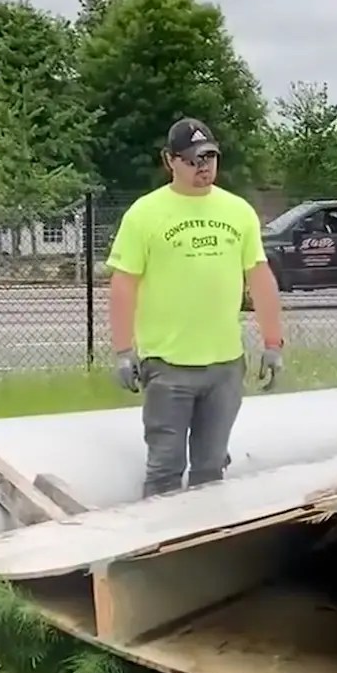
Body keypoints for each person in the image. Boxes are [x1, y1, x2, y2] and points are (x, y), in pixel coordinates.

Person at [105, 117, 286, 498]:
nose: (203, 167)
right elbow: (123, 284)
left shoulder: (237, 212)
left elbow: (260, 278)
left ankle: (206, 539)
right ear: (170, 160)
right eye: (192, 160)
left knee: (210, 467)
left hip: (224, 366)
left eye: (209, 158)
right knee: (165, 469)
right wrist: (124, 350)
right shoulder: (145, 214)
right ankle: (158, 546)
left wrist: (273, 344)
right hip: (168, 366)